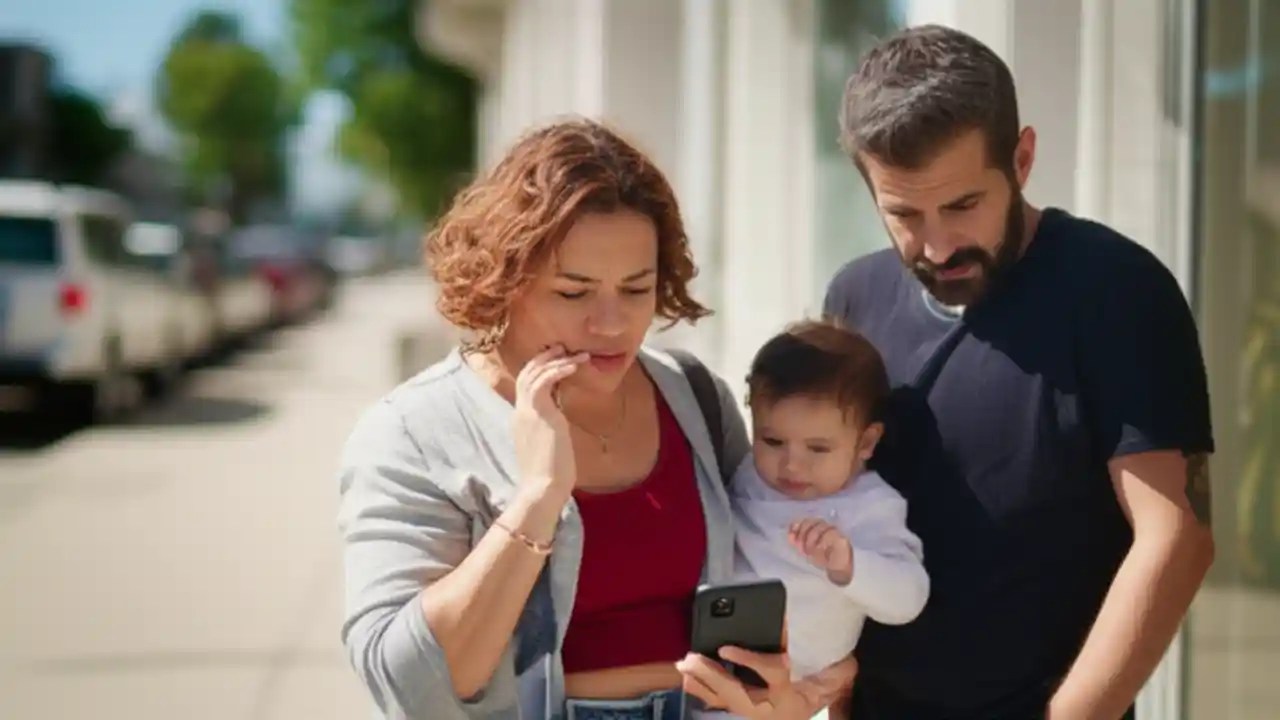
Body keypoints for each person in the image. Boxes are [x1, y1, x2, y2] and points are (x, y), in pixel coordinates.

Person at [336, 118, 850, 720]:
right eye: (574, 293)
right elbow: (407, 683)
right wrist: (537, 499)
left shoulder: (695, 399)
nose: (610, 324)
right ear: (506, 280)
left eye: (636, 290)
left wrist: (785, 695)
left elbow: (789, 565)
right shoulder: (413, 432)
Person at [819, 25, 1217, 719]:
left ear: (1023, 157)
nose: (938, 245)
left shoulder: (1114, 291)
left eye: (963, 205)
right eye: (904, 214)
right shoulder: (854, 299)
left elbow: (1174, 539)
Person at [724, 320, 930, 719]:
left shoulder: (870, 506)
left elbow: (908, 599)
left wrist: (849, 564)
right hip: (721, 669)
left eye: (818, 448)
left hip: (805, 688)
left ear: (866, 443)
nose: (792, 464)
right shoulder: (748, 474)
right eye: (772, 441)